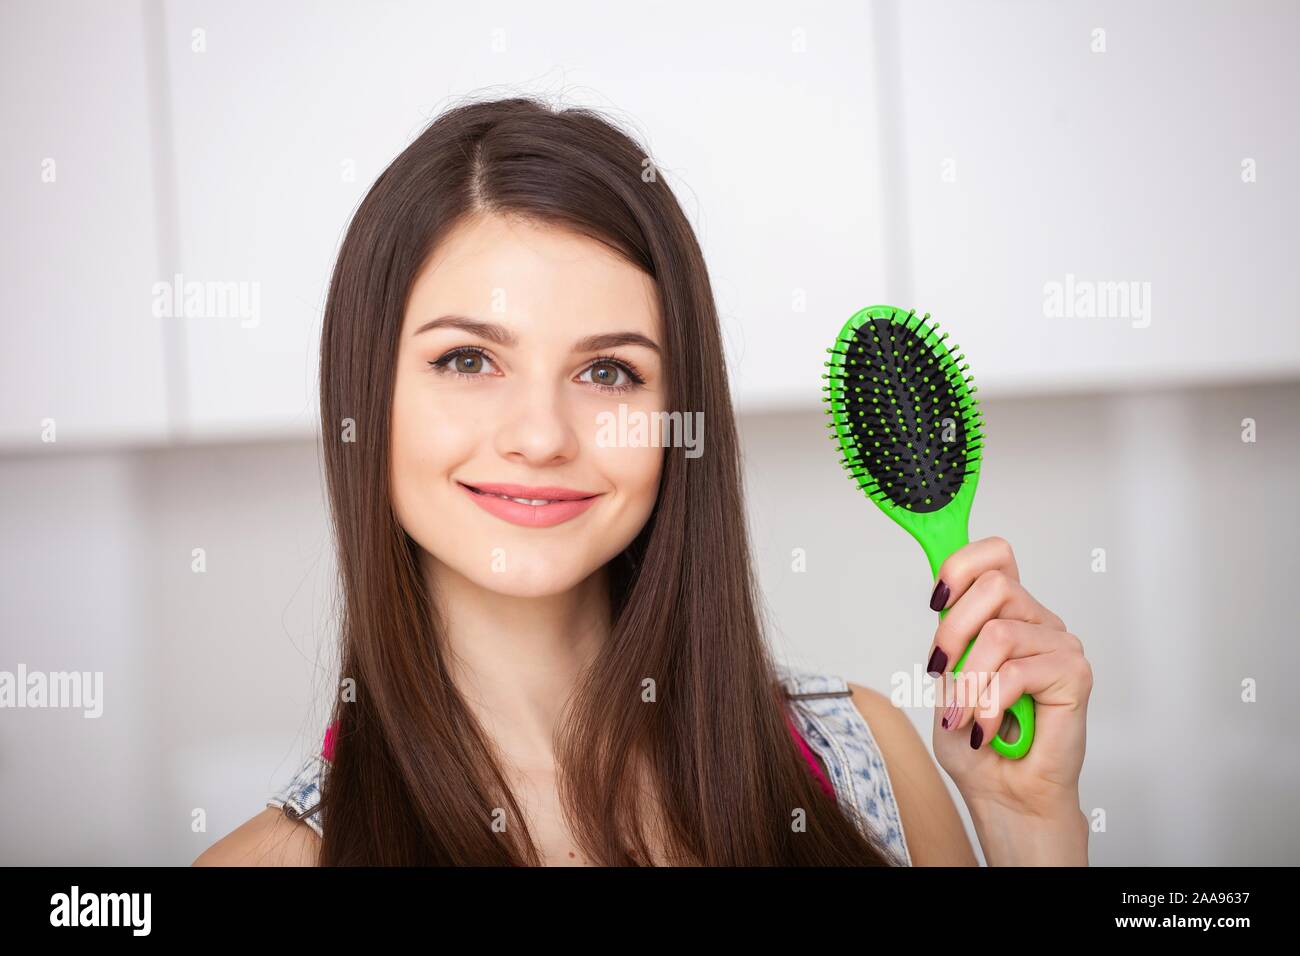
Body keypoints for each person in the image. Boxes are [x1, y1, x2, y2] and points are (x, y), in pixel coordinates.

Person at [193, 96, 1091, 867]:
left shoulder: (867, 760)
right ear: (366, 391)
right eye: (468, 360)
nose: (542, 436)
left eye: (609, 372)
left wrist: (1027, 825)